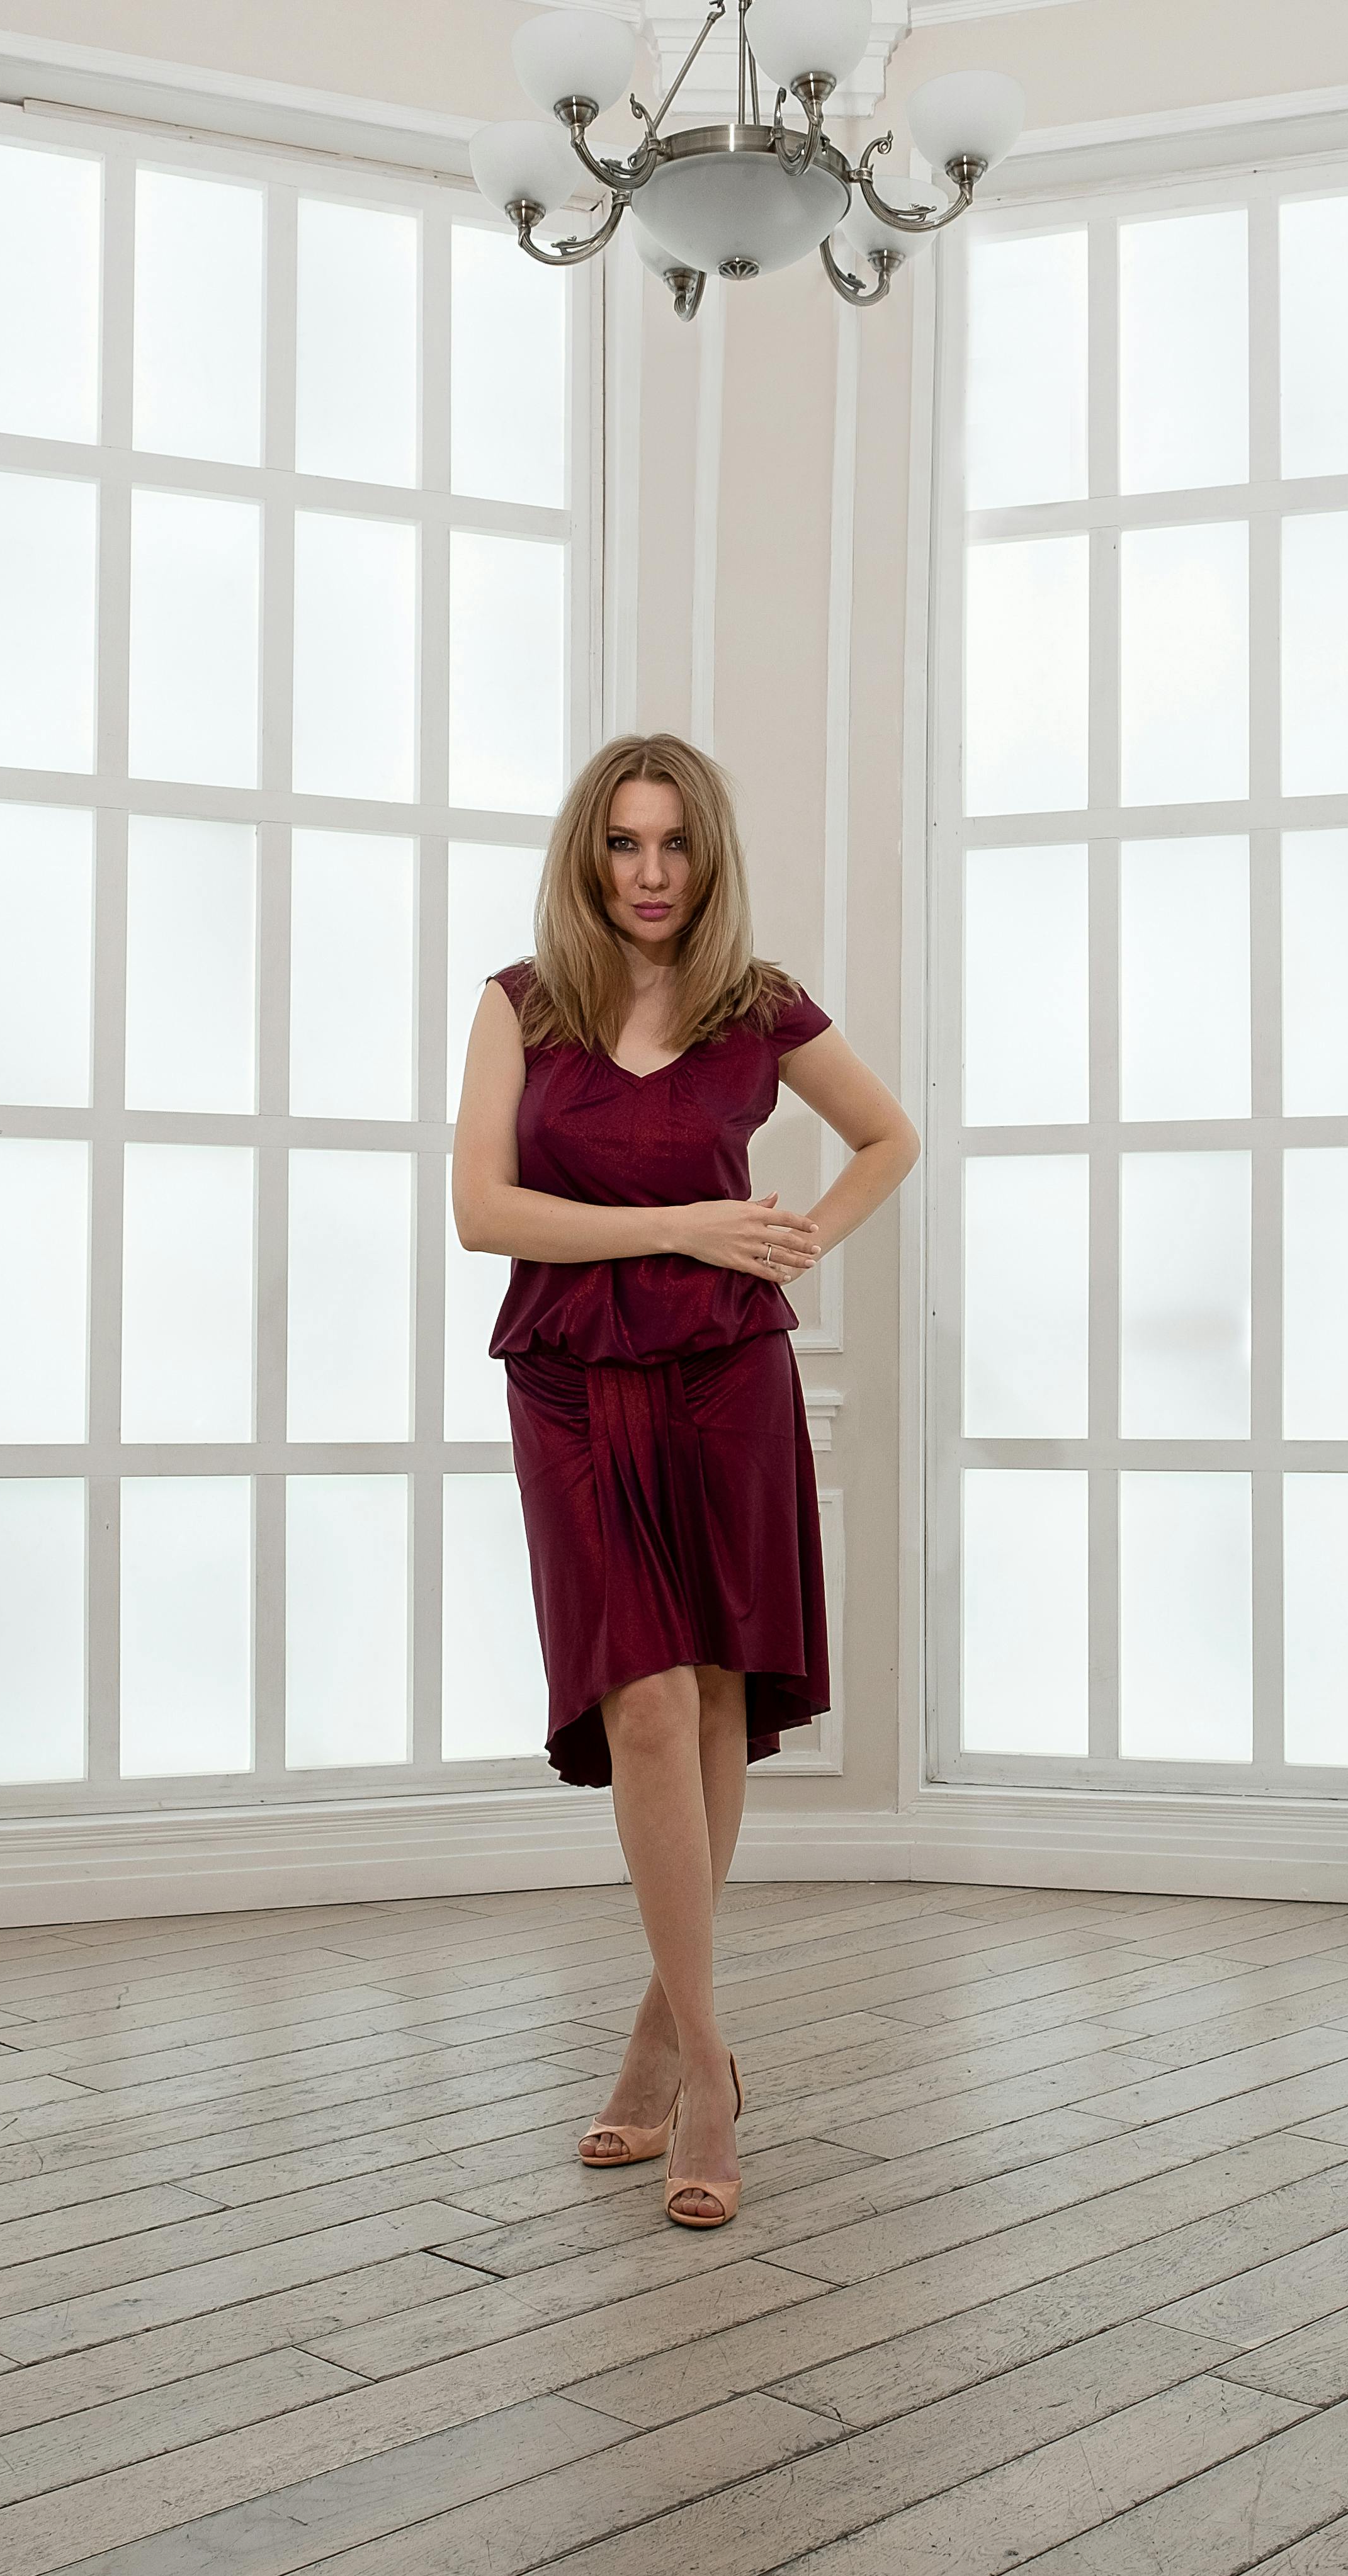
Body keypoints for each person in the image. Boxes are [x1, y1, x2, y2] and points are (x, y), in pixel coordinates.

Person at [450, 732, 919, 2230]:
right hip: (569, 1376)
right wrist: (690, 1228)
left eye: (673, 844)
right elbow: (482, 1211)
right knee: (639, 1698)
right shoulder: (521, 1004)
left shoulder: (757, 1004)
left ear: (707, 855)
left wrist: (791, 1241)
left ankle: (669, 2040)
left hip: (727, 1375)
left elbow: (890, 1136)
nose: (649, 873)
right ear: (585, 855)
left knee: (714, 1697)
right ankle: (715, 2063)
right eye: (621, 843)